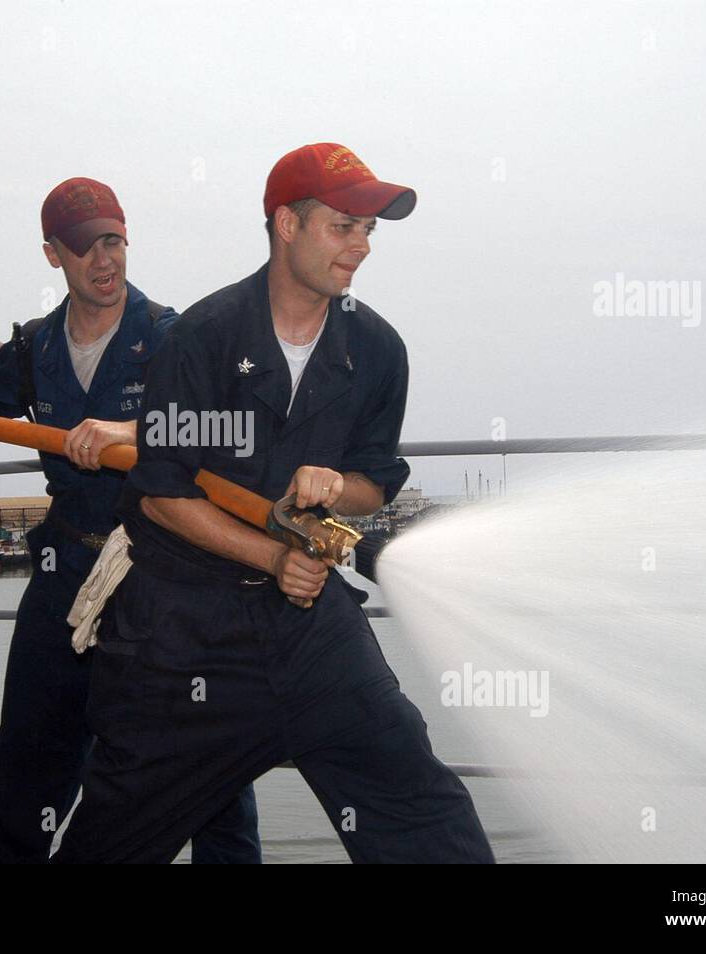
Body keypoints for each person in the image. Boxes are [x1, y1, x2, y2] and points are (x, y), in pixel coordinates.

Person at [51, 144, 495, 863]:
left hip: (311, 633)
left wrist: (335, 486)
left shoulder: (379, 351)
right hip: (183, 636)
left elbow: (374, 481)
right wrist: (271, 553)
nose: (361, 247)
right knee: (112, 838)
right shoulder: (200, 339)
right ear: (287, 224)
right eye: (344, 227)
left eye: (369, 230)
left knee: (421, 810)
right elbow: (162, 495)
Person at [0, 177, 261, 863]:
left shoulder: (171, 337)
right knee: (29, 751)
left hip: (162, 570)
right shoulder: (39, 347)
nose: (104, 261)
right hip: (65, 568)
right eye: (85, 248)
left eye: (113, 242)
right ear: (52, 257)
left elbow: (227, 425)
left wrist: (126, 427)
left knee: (206, 752)